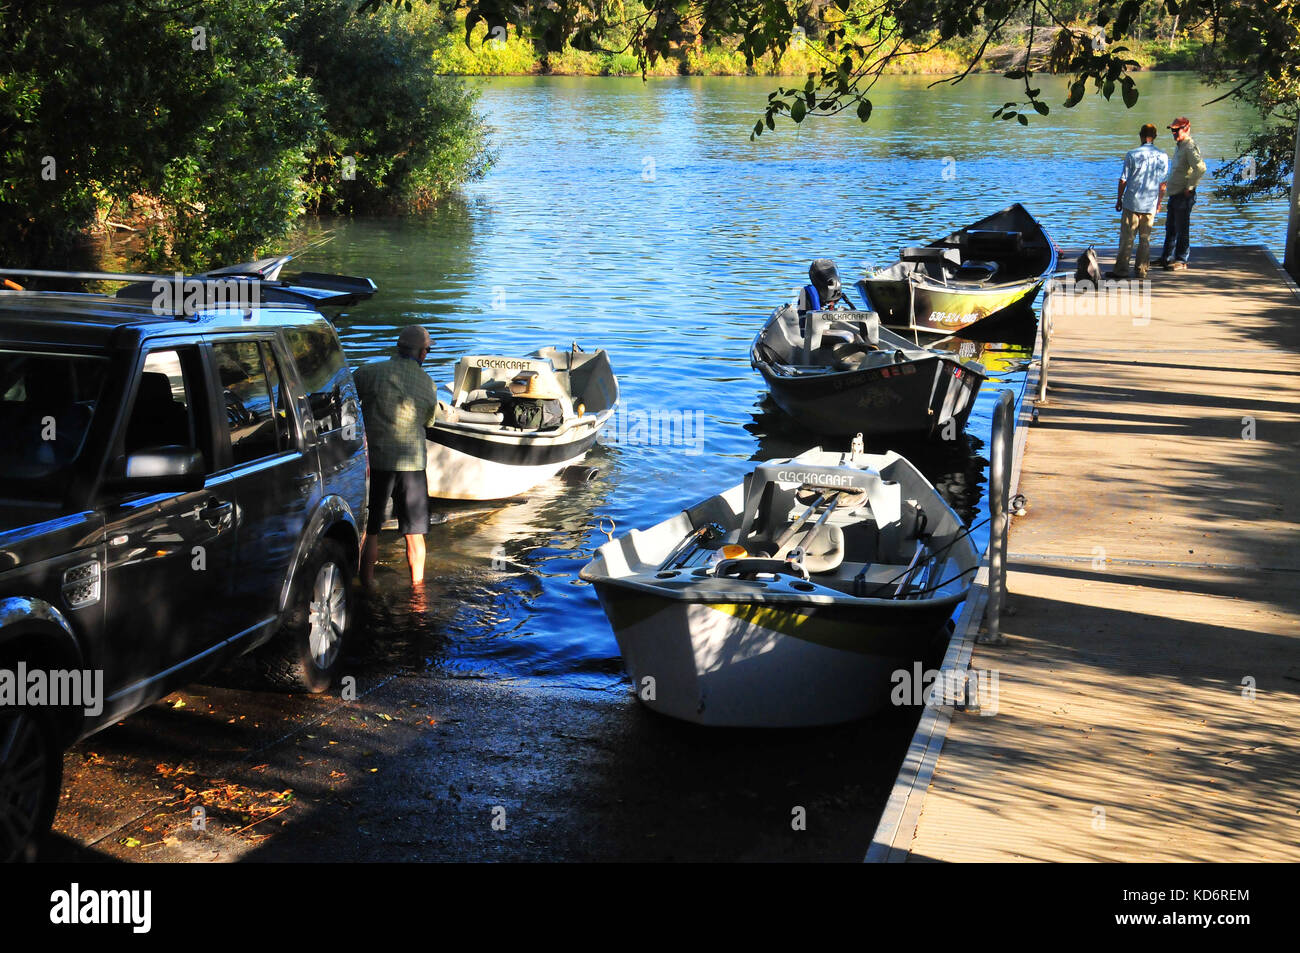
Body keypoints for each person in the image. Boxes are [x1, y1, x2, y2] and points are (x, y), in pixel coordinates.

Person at [355, 325, 438, 587]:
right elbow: (429, 422)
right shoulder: (428, 384)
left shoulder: (368, 373)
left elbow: (348, 400)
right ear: (423, 353)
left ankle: (366, 583)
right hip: (412, 465)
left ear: (397, 347)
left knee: (372, 530)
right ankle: (418, 590)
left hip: (378, 463)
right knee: (414, 533)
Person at [1107, 122, 1169, 280]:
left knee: (1127, 238)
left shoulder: (1132, 154)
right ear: (1154, 137)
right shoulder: (1163, 156)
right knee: (1145, 239)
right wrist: (1159, 202)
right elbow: (1163, 184)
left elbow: (1123, 180)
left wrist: (1118, 199)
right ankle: (1141, 271)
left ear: (1141, 136)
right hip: (1150, 204)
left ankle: (1121, 270)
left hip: (1132, 202)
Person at [1157, 117, 1207, 271]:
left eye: (1176, 130)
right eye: (1172, 130)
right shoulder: (1180, 146)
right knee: (1170, 227)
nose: (1173, 133)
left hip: (1183, 196)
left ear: (1186, 128)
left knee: (1182, 228)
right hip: (1174, 194)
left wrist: (1190, 186)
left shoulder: (1189, 147)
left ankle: (1181, 259)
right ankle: (1166, 257)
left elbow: (1201, 168)